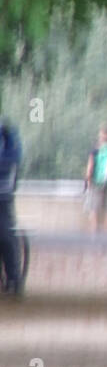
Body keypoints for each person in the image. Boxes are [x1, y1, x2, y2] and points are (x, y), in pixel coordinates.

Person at [0, 117, 23, 296]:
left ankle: (14, 279)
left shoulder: (7, 132)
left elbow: (13, 159)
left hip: (3, 193)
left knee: (5, 235)